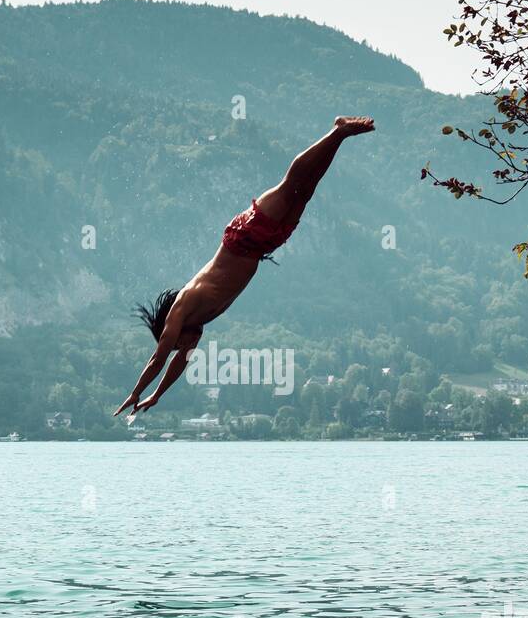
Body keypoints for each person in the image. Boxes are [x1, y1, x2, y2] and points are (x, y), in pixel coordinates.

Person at [114, 116, 375, 416]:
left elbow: (158, 360)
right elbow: (179, 363)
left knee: (291, 184)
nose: (182, 346)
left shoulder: (181, 310)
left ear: (168, 334)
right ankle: (341, 137)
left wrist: (135, 392)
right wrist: (157, 395)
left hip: (243, 237)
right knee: (306, 191)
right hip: (262, 247)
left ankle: (337, 130)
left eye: (174, 343)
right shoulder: (197, 327)